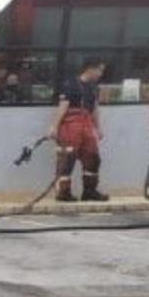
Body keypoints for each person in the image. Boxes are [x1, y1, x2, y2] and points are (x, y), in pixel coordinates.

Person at [51, 59, 108, 202]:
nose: (101, 74)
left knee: (93, 158)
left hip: (86, 125)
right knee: (67, 159)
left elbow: (94, 108)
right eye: (100, 70)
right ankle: (63, 192)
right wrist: (54, 126)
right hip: (71, 125)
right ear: (90, 69)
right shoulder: (71, 85)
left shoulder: (93, 88)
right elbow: (63, 106)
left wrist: (98, 128)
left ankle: (90, 191)